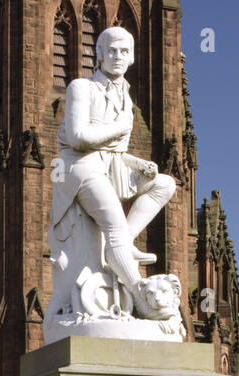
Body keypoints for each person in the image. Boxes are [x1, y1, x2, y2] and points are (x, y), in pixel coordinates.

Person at [53, 26, 176, 314]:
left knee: (165, 184)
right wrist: (120, 127)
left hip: (112, 166)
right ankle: (141, 295)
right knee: (114, 227)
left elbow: (115, 151)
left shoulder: (126, 97)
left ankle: (124, 243)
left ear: (132, 57)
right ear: (98, 55)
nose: (117, 56)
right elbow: (78, 137)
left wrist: (139, 164)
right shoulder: (81, 88)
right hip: (80, 167)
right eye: (111, 50)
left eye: (124, 51)